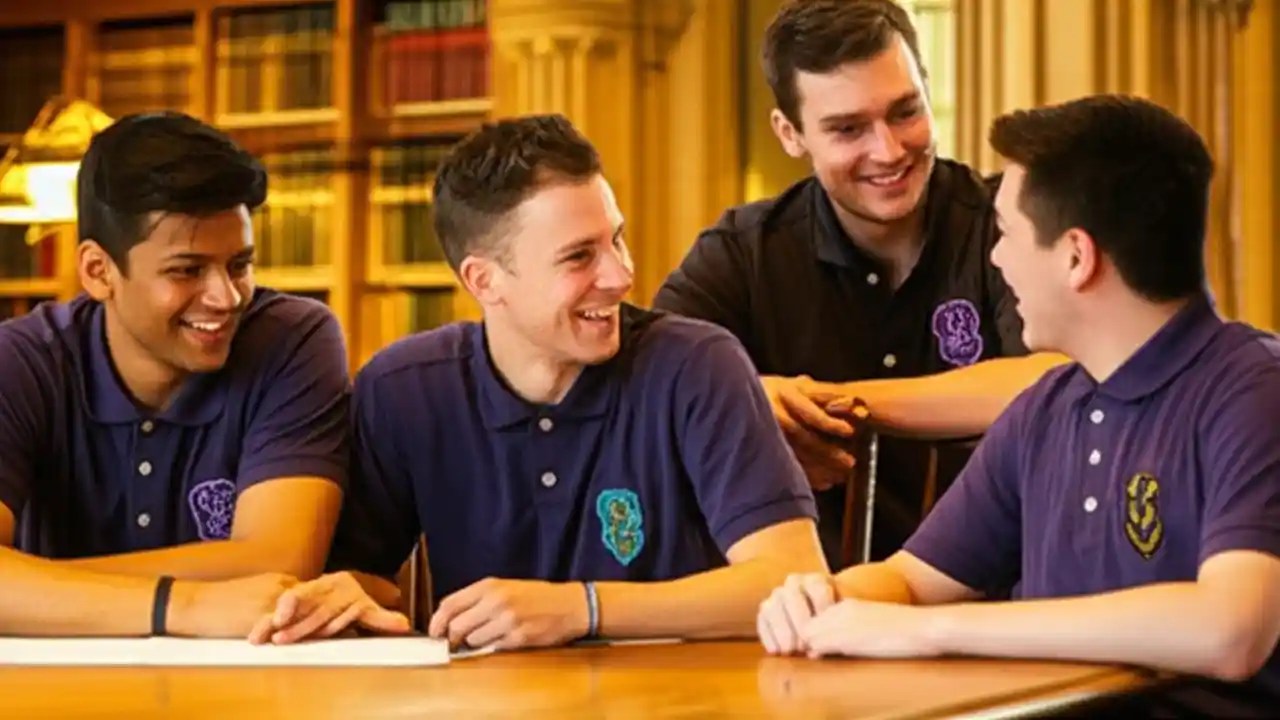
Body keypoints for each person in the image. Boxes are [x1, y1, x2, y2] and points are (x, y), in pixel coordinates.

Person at [755, 95, 1280, 706]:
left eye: (1005, 234)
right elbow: (911, 580)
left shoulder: (1254, 391)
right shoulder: (1045, 409)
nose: (997, 260)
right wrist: (825, 599)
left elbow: (1231, 629)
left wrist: (930, 632)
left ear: (1077, 258)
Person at [255, 114, 827, 648]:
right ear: (485, 280)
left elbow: (791, 578)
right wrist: (346, 593)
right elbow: (369, 580)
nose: (621, 275)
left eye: (616, 240)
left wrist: (582, 608)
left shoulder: (699, 365)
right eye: (580, 257)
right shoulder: (402, 388)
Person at [653, 0, 1065, 566]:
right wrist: (757, 398)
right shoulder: (743, 253)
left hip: (1004, 598)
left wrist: (817, 405)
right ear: (790, 133)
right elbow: (652, 389)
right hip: (808, 613)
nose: (889, 150)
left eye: (905, 112)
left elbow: (1058, 379)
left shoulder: (1010, 223)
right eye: (848, 129)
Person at [0, 111, 406, 638]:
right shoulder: (20, 360)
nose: (226, 296)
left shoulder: (293, 340)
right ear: (99, 272)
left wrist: (36, 590)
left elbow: (280, 565)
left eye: (239, 264)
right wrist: (185, 605)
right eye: (186, 270)